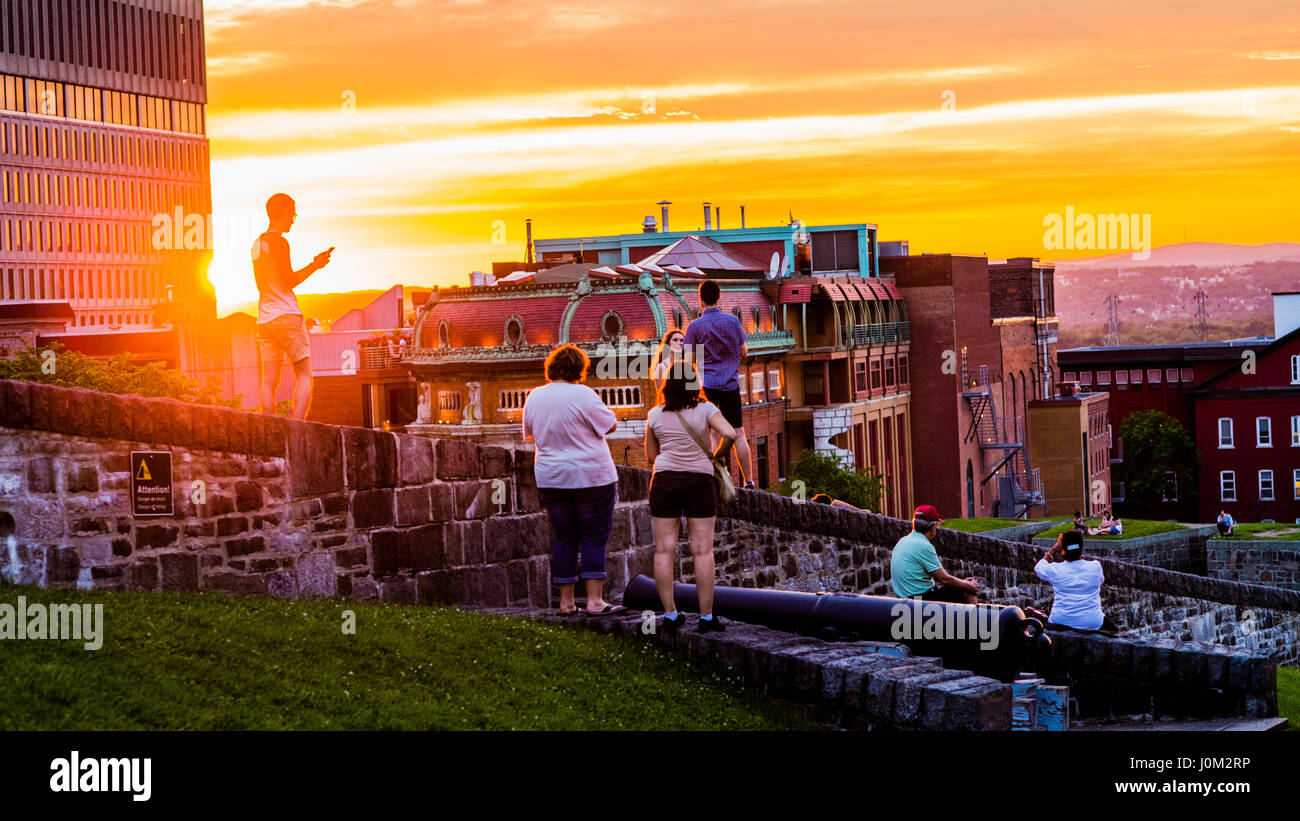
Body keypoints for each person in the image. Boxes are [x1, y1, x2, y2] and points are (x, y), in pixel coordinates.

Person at [522, 345, 623, 616]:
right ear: (580, 369)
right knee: (593, 538)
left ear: (552, 368)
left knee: (564, 538)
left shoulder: (534, 396)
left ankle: (566, 604)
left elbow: (529, 432)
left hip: (551, 477)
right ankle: (594, 601)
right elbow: (610, 425)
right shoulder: (583, 394)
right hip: (592, 476)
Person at [644, 363, 737, 633]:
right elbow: (730, 434)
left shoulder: (655, 414)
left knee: (664, 549)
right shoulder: (706, 409)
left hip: (664, 481)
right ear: (695, 383)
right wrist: (717, 454)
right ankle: (707, 617)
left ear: (668, 385)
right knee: (703, 550)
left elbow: (651, 456)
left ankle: (670, 615)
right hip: (699, 480)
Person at [252, 193, 333, 419]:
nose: (293, 219)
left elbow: (264, 281)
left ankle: (269, 426)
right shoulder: (279, 241)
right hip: (287, 315)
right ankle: (298, 427)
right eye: (293, 214)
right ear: (285, 212)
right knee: (304, 374)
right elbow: (289, 281)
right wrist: (315, 265)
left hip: (265, 319)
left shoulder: (257, 244)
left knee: (269, 380)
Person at [683, 280, 754, 488]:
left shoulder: (695, 326)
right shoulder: (733, 321)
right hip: (730, 385)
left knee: (712, 433)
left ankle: (720, 480)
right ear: (719, 297)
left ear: (700, 299)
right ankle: (749, 481)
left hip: (708, 385)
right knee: (738, 432)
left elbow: (688, 360)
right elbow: (744, 352)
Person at [889, 505, 980, 603]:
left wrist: (963, 582)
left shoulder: (902, 541)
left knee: (964, 586)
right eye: (937, 525)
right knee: (968, 591)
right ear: (933, 526)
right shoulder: (924, 546)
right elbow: (944, 579)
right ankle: (975, 618)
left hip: (903, 599)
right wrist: (968, 586)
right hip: (920, 600)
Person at [1033, 531, 1106, 631]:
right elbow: (1100, 583)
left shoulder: (1056, 569)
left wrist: (1054, 549)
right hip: (1092, 622)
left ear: (1062, 550)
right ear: (1081, 548)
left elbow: (1038, 568)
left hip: (1060, 621)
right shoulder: (1095, 566)